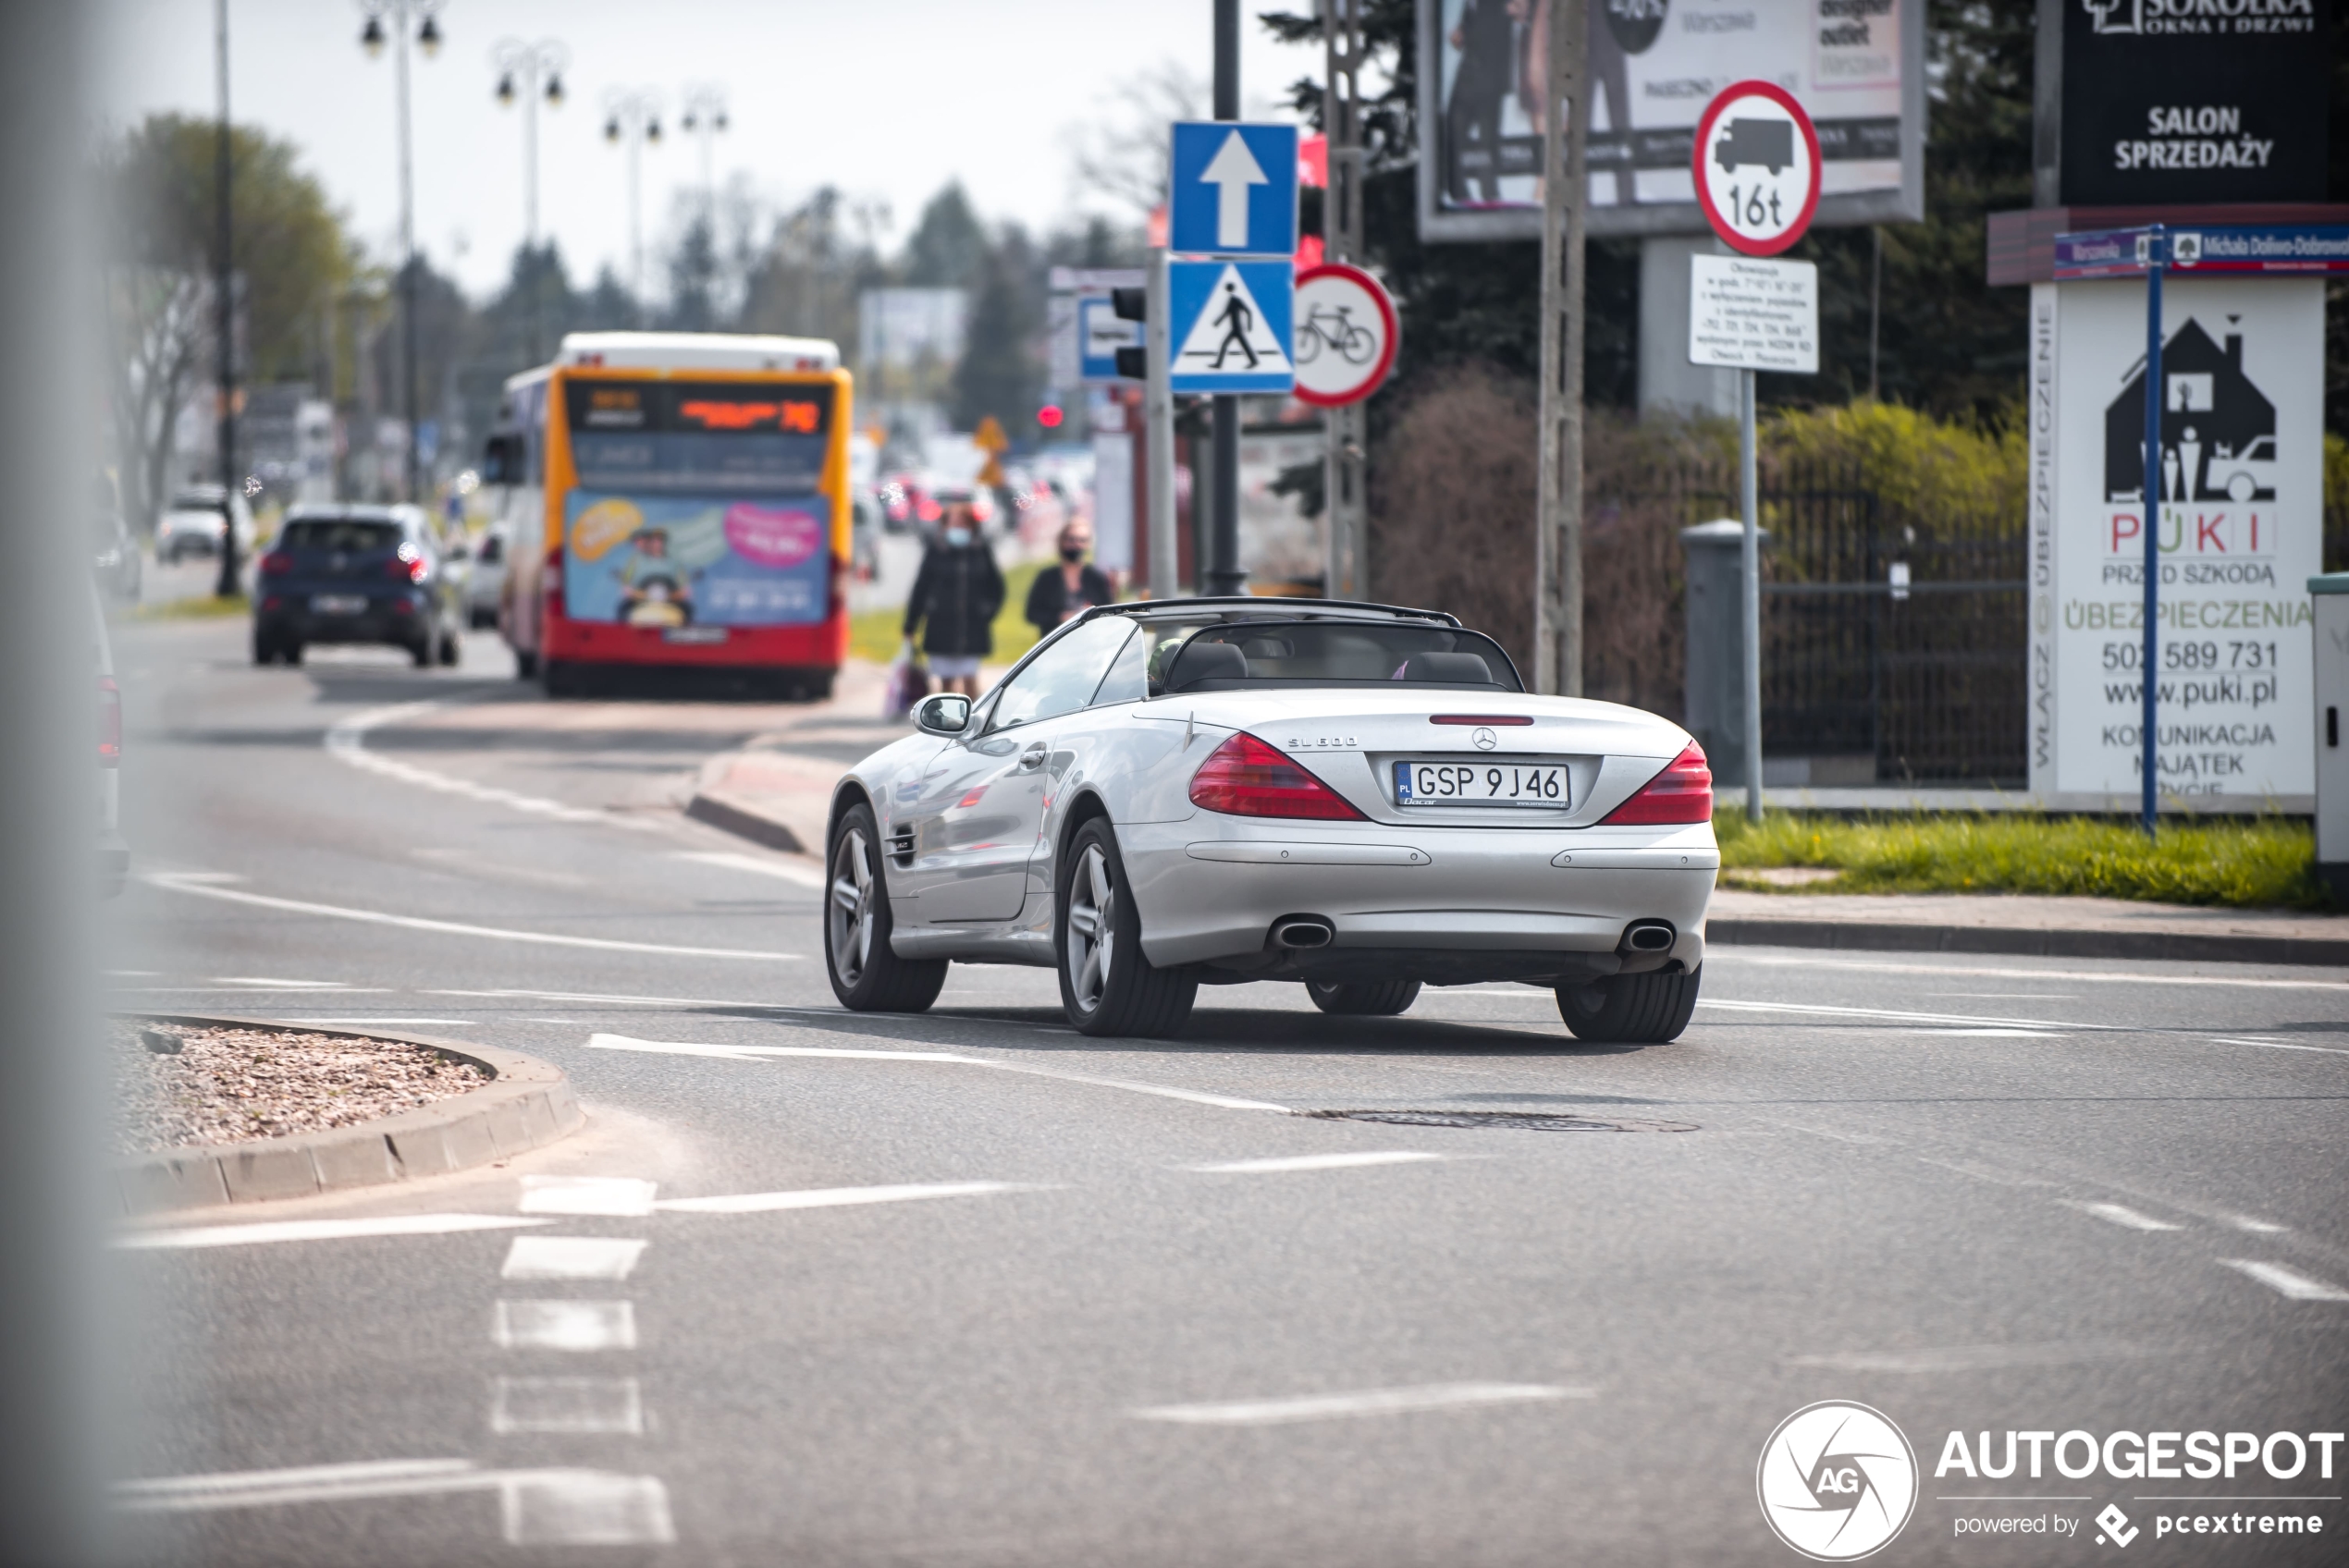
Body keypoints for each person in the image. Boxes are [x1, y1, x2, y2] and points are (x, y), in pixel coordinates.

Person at [902, 495, 1003, 698]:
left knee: (970, 678)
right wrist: (911, 623)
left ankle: (973, 721)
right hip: (941, 625)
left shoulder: (980, 550)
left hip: (972, 626)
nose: (957, 528)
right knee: (945, 681)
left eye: (962, 524)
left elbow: (996, 586)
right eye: (952, 523)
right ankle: (945, 722)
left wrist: (987, 611)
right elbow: (921, 587)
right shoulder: (937, 551)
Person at [1025, 521, 1114, 637]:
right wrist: (1060, 617)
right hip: (1055, 641)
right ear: (1061, 541)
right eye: (1071, 539)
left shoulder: (1096, 577)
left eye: (1082, 540)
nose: (1076, 544)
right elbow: (1032, 613)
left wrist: (1090, 614)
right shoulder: (1047, 577)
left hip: (1090, 640)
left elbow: (1109, 611)